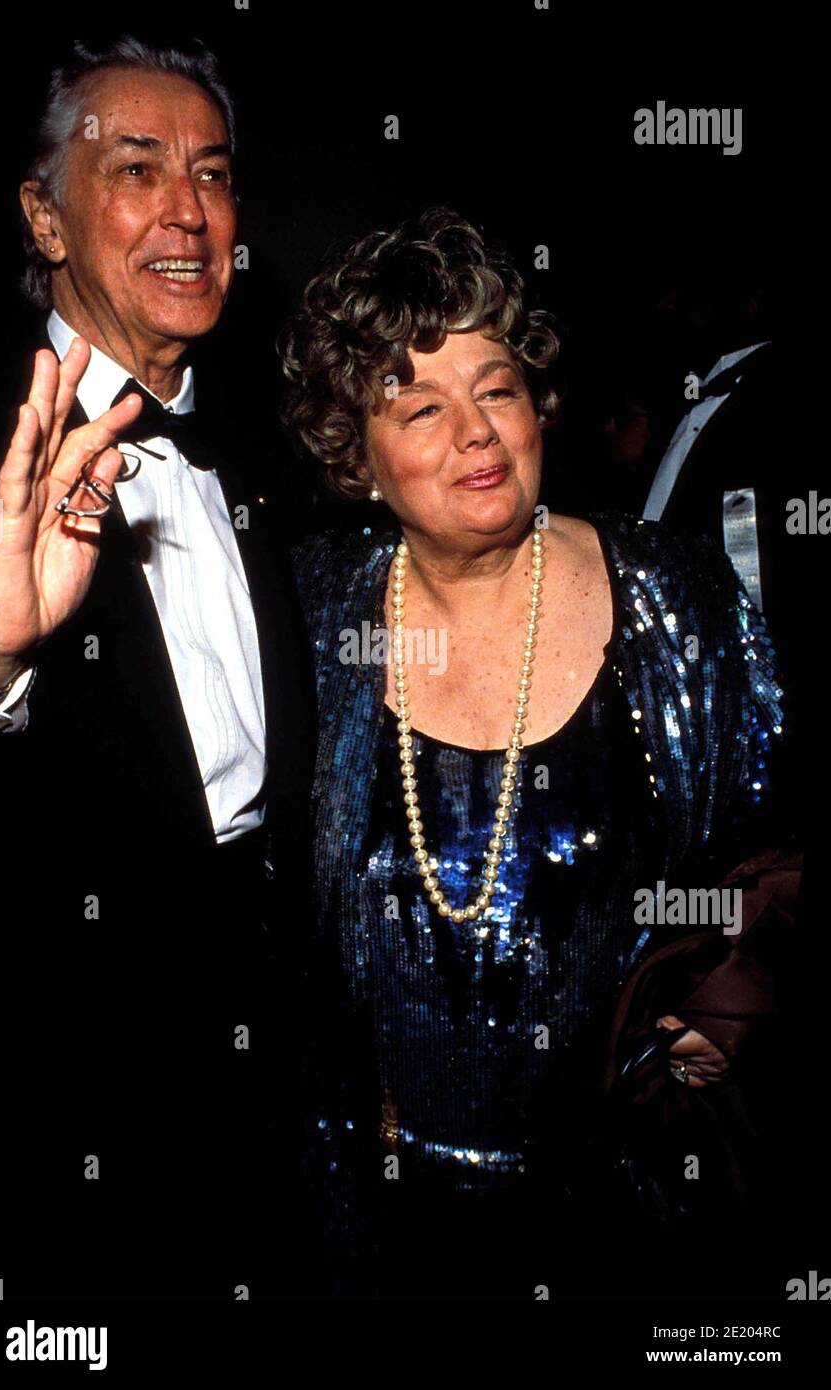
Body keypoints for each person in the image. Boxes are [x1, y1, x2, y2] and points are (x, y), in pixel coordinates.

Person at [278, 207, 789, 1300]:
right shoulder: (309, 620)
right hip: (367, 1227)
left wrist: (720, 995)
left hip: (619, 1219)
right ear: (352, 456)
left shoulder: (672, 595)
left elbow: (772, 848)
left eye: (496, 389)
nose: (476, 433)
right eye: (420, 405)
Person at [0, 37, 316, 1300]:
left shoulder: (272, 453)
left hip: (276, 1105)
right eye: (138, 167)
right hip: (64, 1123)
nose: (188, 210)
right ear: (42, 217)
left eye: (212, 173)